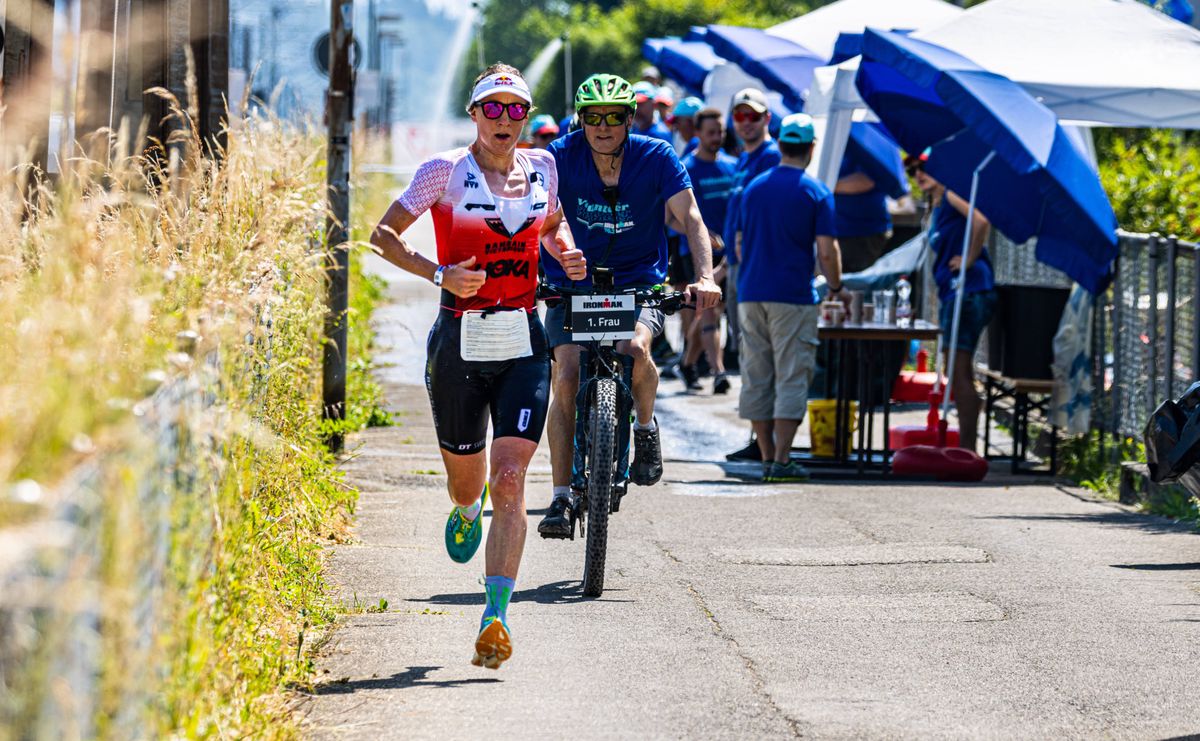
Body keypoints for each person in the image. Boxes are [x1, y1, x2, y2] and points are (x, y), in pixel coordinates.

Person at [369, 63, 586, 669]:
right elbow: (382, 235)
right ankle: (466, 508)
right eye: (493, 107)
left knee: (511, 478)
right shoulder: (442, 171)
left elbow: (553, 223)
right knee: (470, 484)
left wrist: (565, 251)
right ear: (474, 115)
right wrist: (439, 273)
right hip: (459, 342)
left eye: (516, 109)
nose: (504, 119)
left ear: (526, 117)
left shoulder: (543, 167)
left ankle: (495, 617)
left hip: (522, 340)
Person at [537, 73, 722, 537]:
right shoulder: (558, 156)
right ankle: (560, 495)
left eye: (614, 117)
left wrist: (703, 276)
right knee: (567, 373)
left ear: (630, 118)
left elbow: (691, 217)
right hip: (571, 284)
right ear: (580, 120)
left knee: (635, 349)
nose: (603, 127)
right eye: (593, 118)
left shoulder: (657, 155)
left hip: (638, 282)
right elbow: (536, 220)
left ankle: (643, 428)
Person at [735, 113, 848, 483]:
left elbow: (739, 244)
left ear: (781, 144)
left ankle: (767, 456)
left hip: (751, 293)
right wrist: (836, 288)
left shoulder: (754, 187)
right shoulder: (816, 191)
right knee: (791, 375)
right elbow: (827, 251)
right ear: (811, 148)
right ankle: (783, 460)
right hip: (792, 296)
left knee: (757, 375)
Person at [908, 153, 997, 453]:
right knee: (957, 370)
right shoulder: (935, 206)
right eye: (914, 170)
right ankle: (967, 446)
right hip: (955, 293)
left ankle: (967, 449)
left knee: (958, 372)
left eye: (925, 167)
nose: (919, 174)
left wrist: (969, 258)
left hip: (968, 292)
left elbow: (980, 220)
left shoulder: (950, 194)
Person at [677, 107, 737, 394]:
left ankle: (688, 362)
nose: (716, 137)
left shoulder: (733, 166)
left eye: (720, 132)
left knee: (710, 312)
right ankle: (718, 371)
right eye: (711, 132)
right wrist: (702, 234)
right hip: (697, 252)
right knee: (709, 310)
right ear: (698, 133)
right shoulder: (686, 168)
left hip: (729, 251)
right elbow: (671, 215)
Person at [723, 87, 781, 367]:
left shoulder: (771, 156)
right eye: (740, 116)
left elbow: (771, 215)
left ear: (767, 118)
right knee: (744, 343)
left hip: (756, 265)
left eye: (753, 116)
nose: (746, 122)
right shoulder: (744, 158)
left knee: (757, 345)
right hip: (737, 263)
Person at [834, 151, 893, 273]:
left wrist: (824, 185)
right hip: (836, 231)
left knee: (857, 281)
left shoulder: (866, 144)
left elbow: (866, 180)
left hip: (863, 233)